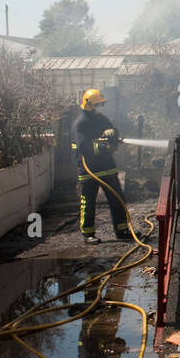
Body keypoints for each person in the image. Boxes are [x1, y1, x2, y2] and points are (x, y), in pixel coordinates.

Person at [72, 88, 129, 244]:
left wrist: (113, 133)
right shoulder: (80, 123)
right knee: (88, 202)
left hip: (107, 167)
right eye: (97, 105)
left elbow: (112, 133)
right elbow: (84, 146)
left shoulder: (102, 119)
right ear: (88, 104)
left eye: (100, 104)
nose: (99, 108)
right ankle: (88, 234)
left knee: (117, 198)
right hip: (89, 170)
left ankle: (122, 230)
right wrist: (104, 147)